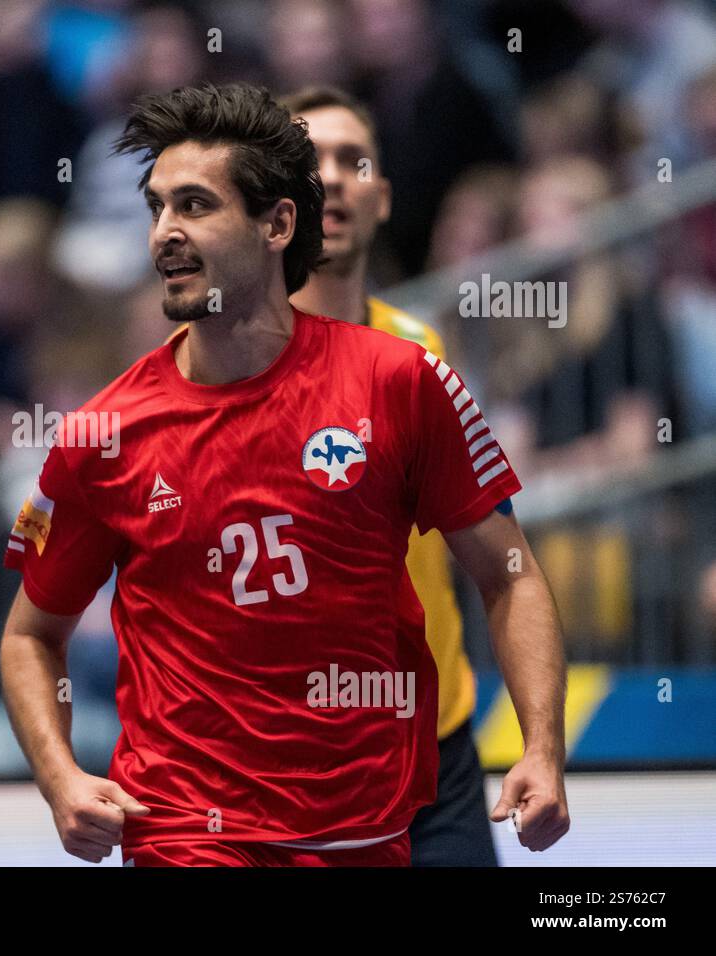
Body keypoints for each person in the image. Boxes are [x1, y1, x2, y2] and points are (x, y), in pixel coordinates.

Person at [0, 83, 569, 866]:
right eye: (157, 207)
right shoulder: (101, 434)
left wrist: (542, 747)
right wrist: (59, 777)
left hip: (366, 828)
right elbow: (30, 634)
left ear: (277, 223)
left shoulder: (402, 379)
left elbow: (511, 576)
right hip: (184, 836)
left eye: (195, 205)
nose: (165, 232)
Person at [281, 85, 497, 865]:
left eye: (353, 161)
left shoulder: (421, 349)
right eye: (308, 161)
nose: (332, 178)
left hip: (436, 755)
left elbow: (496, 553)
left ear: (382, 198)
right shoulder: (218, 363)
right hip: (288, 765)